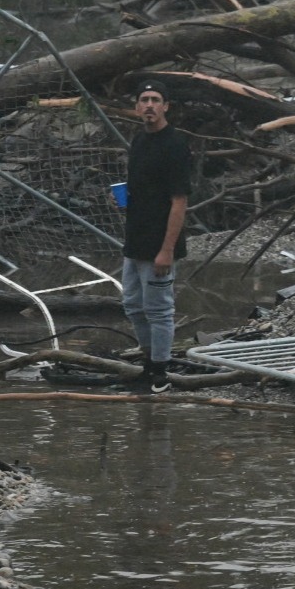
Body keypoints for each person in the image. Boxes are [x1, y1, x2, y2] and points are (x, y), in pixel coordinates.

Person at [121, 81, 192, 392]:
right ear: (137, 107)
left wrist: (167, 249)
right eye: (144, 99)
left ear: (166, 107)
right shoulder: (139, 140)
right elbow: (141, 187)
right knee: (133, 305)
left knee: (159, 308)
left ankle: (160, 372)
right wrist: (124, 199)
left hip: (160, 243)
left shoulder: (175, 145)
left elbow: (179, 201)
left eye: (155, 100)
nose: (149, 105)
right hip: (135, 239)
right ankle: (148, 363)